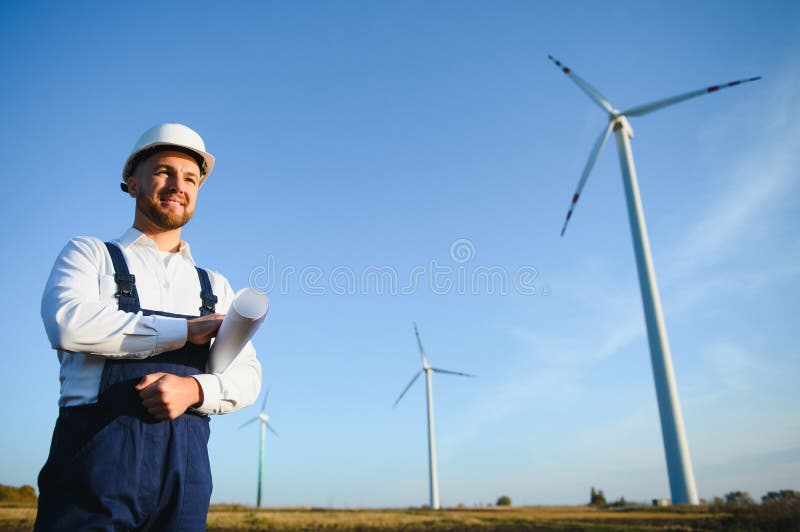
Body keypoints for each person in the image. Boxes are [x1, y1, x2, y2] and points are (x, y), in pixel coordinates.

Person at [35, 123, 262, 531]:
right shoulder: (89, 254)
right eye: (163, 172)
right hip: (94, 469)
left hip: (185, 478)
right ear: (131, 182)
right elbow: (67, 324)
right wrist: (184, 332)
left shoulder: (214, 286)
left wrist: (194, 390)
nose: (178, 185)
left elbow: (248, 377)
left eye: (190, 178)